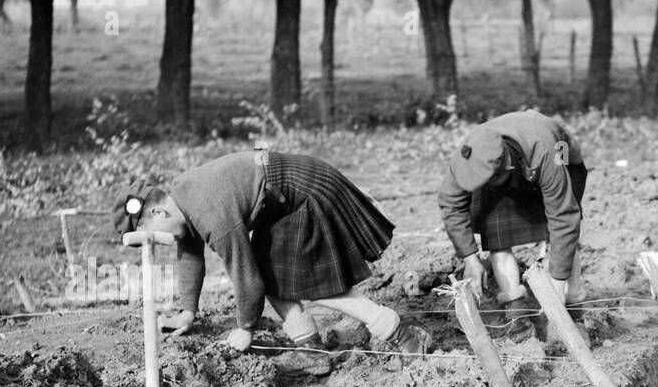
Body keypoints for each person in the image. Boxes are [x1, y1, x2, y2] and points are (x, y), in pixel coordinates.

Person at [114, 147, 431, 372]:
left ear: (157, 212)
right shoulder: (181, 196)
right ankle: (310, 349)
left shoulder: (212, 215)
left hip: (307, 191)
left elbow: (246, 277)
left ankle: (399, 331)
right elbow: (189, 251)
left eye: (150, 231)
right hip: (281, 203)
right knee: (275, 272)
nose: (158, 239)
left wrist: (245, 328)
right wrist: (187, 312)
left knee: (316, 284)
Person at [437, 109, 587, 338]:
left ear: (505, 167)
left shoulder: (548, 150)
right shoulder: (469, 158)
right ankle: (516, 311)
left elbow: (564, 219)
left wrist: (557, 288)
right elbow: (450, 203)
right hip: (506, 167)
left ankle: (573, 309)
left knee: (561, 235)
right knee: (497, 238)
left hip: (560, 159)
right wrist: (470, 257)